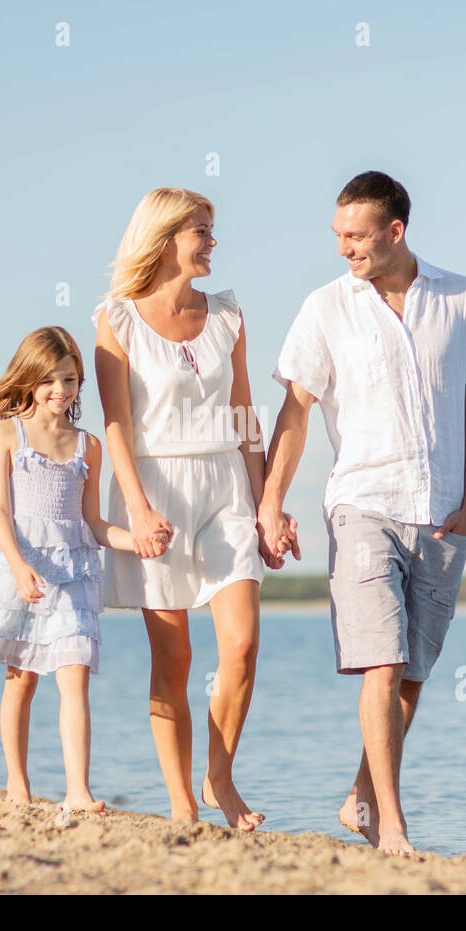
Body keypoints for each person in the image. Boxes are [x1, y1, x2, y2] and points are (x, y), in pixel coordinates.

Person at [260, 171, 466, 855]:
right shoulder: (325, 308)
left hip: (442, 511)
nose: (344, 249)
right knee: (381, 662)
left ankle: (362, 796)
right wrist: (271, 503)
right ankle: (391, 825)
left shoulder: (461, 299)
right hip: (361, 503)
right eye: (338, 236)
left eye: (356, 237)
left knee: (411, 673)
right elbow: (296, 413)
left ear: (395, 232)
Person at [92, 187, 288, 830]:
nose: (211, 241)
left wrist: (266, 507)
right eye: (201, 230)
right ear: (166, 236)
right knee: (172, 659)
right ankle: (181, 804)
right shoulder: (116, 319)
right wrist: (138, 511)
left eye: (211, 229)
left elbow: (246, 416)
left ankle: (219, 778)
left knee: (243, 644)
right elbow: (116, 424)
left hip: (227, 483)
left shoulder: (228, 314)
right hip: (156, 490)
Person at [0, 326, 163, 812]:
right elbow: (0, 513)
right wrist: (17, 568)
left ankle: (78, 791)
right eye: (50, 380)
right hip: (22, 567)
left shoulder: (87, 446)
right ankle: (18, 784)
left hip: (74, 569)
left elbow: (93, 523)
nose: (61, 390)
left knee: (75, 672)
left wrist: (134, 540)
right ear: (30, 379)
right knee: (23, 678)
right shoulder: (7, 433)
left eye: (71, 380)